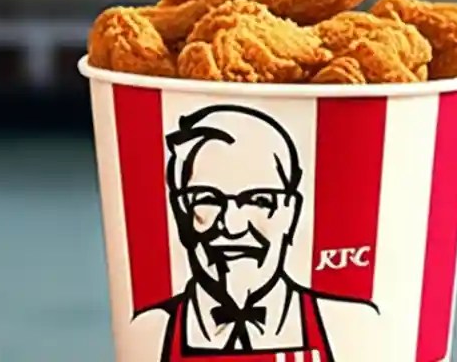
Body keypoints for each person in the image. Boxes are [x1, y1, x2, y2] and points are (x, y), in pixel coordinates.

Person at [122, 105, 378, 362]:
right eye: (208, 199)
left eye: (259, 200)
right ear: (180, 212)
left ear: (290, 212)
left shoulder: (347, 326)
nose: (233, 227)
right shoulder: (153, 331)